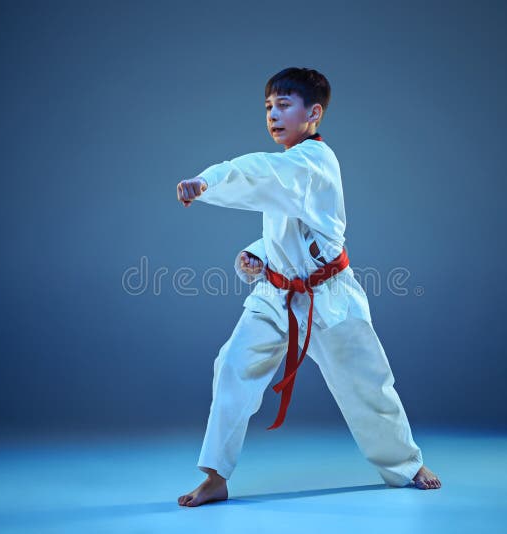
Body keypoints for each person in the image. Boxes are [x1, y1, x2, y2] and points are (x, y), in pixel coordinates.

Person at [176, 67, 441, 507]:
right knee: (232, 365)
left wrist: (208, 182)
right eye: (268, 107)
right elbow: (290, 227)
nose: (273, 115)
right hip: (275, 295)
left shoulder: (314, 161)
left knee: (367, 385)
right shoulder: (288, 168)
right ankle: (215, 475)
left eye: (283, 105)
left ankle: (406, 464)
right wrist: (257, 254)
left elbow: (262, 173)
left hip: (329, 296)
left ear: (314, 112)